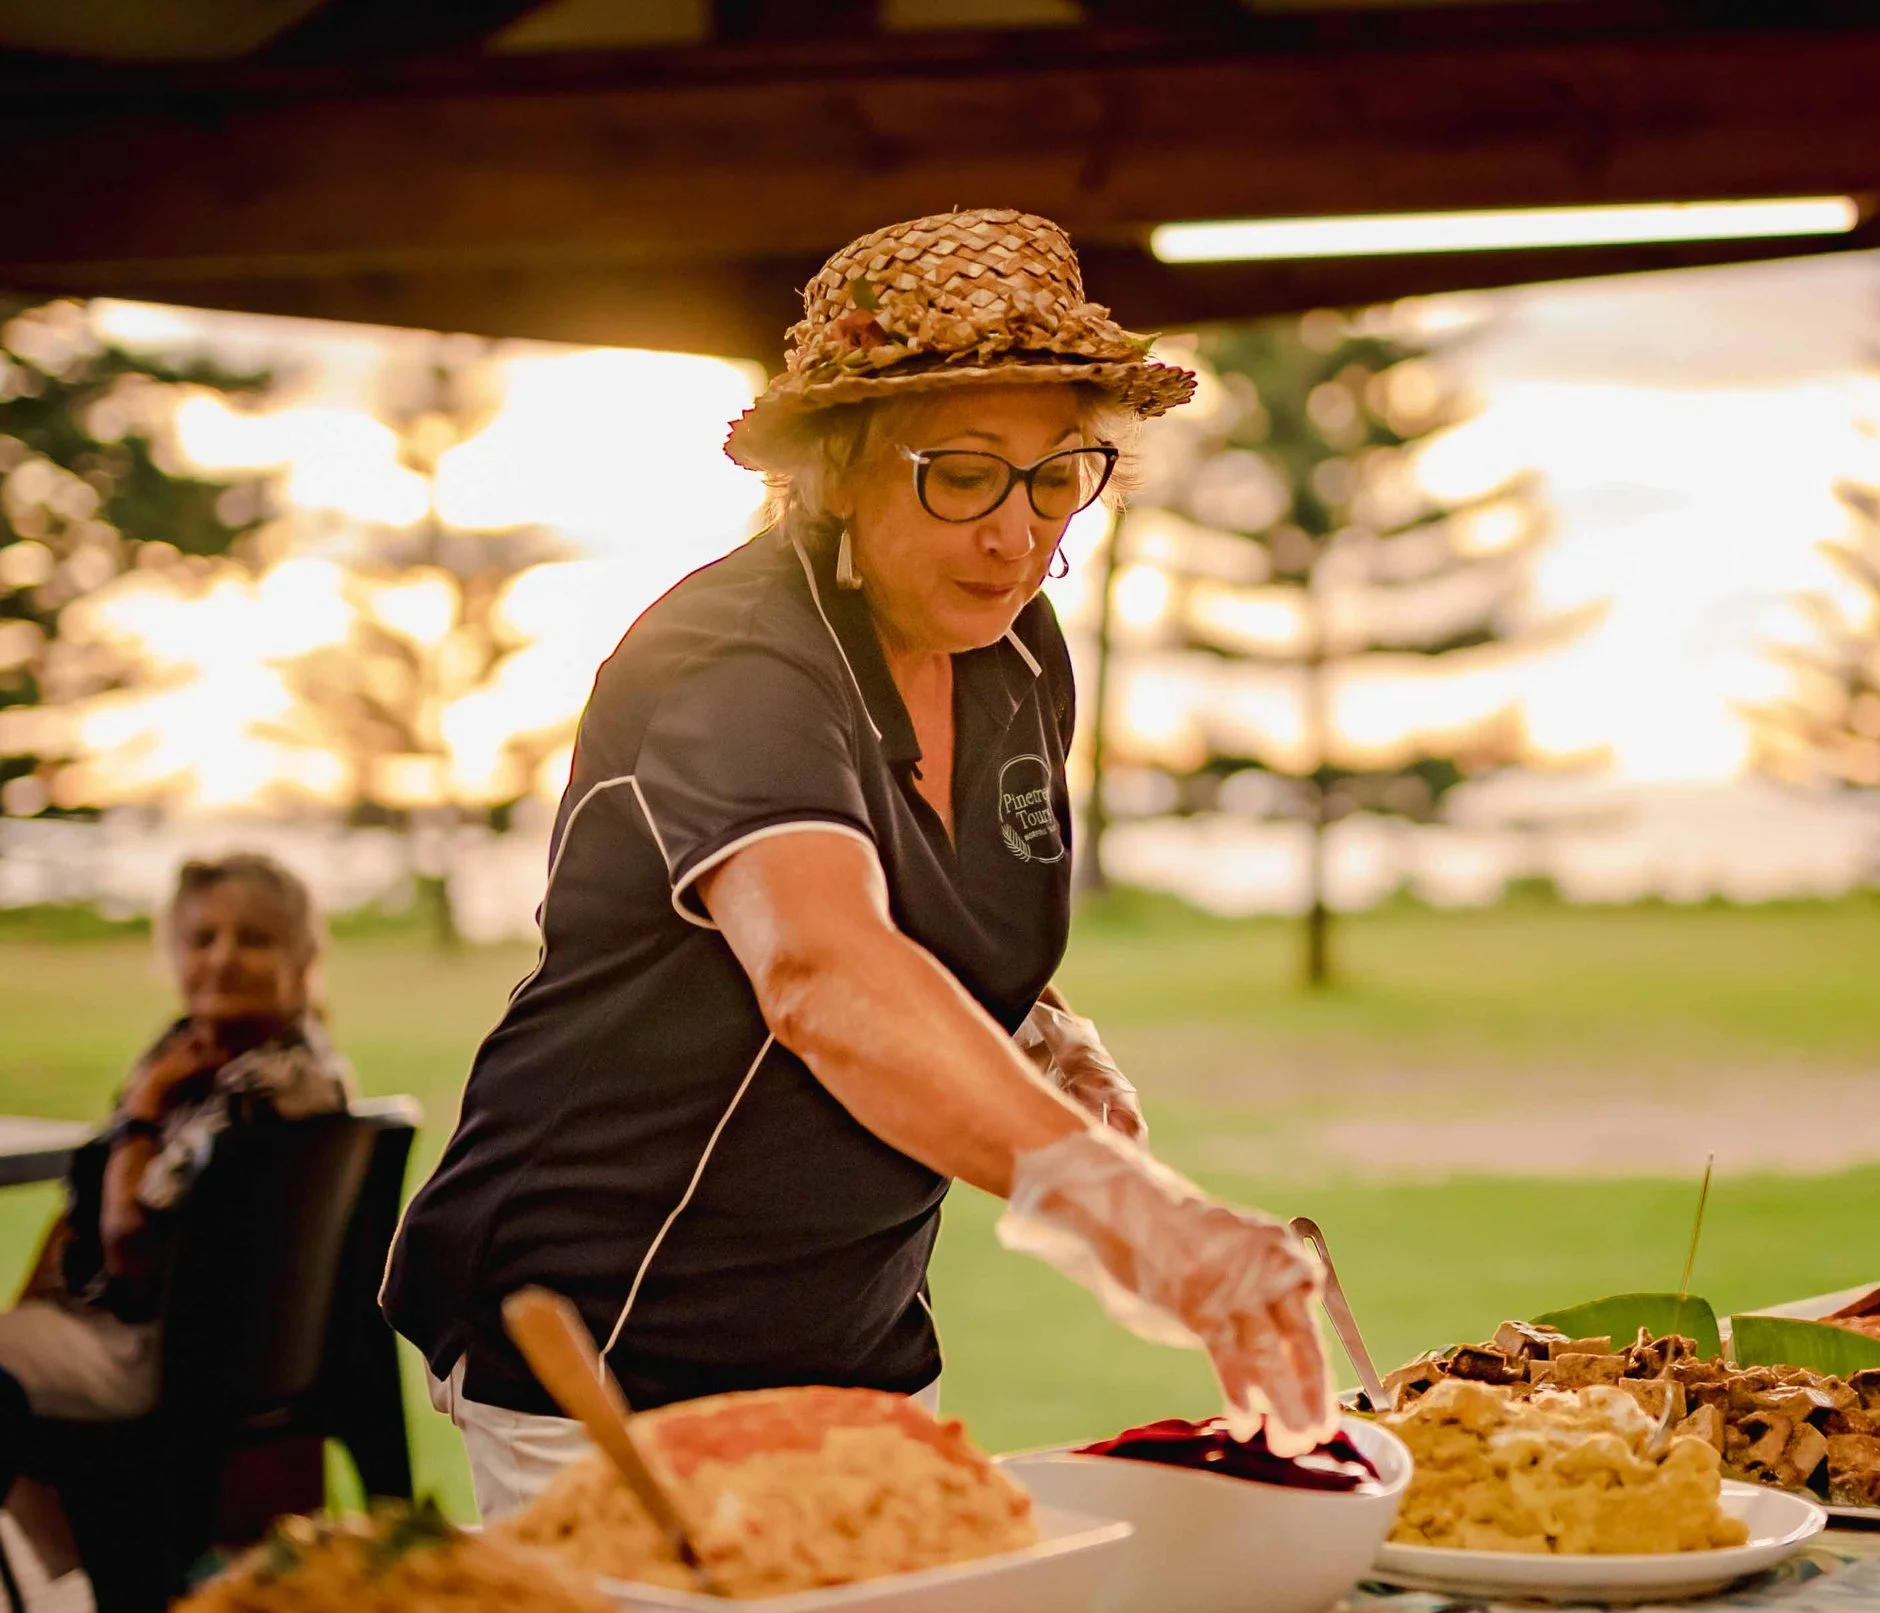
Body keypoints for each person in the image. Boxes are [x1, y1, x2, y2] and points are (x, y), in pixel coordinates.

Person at [383, 208, 1332, 1519]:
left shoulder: (1013, 647)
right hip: (610, 1323)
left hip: (856, 1319)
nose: (1017, 533)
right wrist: (1136, 1212)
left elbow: (923, 898)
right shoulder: (730, 661)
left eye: (1060, 472)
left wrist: (1040, 1032)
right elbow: (823, 965)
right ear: (834, 469)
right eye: (961, 473)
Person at [0, 854, 351, 1468]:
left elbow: (128, 1251)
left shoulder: (263, 1084)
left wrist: (142, 1109)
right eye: (201, 939)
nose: (222, 958)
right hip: (197, 1350)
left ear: (303, 960)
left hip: (164, 1357)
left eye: (256, 940)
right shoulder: (251, 1063)